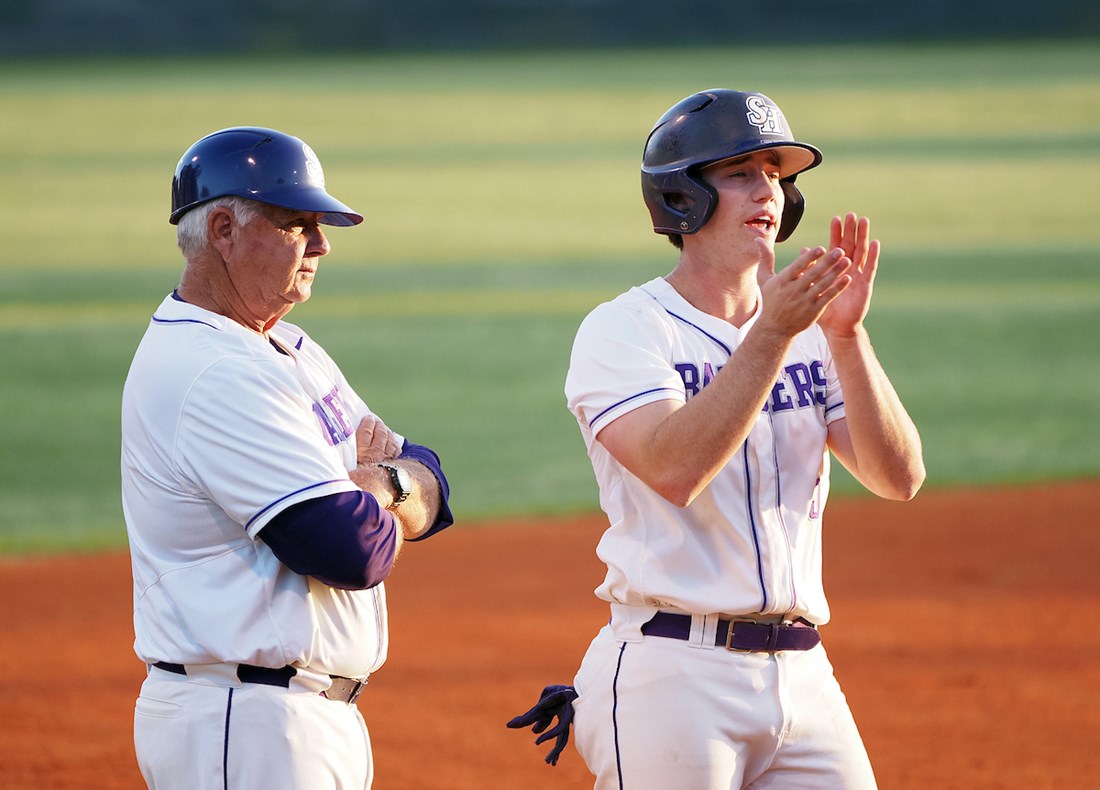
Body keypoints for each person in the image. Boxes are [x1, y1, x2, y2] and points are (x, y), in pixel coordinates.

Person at [508, 89, 925, 788]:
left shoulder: (809, 331)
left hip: (804, 674)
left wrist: (847, 338)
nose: (767, 190)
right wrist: (774, 333)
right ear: (682, 200)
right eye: (740, 173)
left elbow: (899, 477)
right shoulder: (627, 331)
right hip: (674, 675)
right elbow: (674, 468)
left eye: (775, 175)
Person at [121, 126, 454, 789]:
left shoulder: (288, 347)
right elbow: (351, 549)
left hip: (293, 718)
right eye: (299, 224)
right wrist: (390, 491)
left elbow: (434, 482)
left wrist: (385, 480)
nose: (323, 245)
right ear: (223, 229)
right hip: (243, 724)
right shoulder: (212, 369)